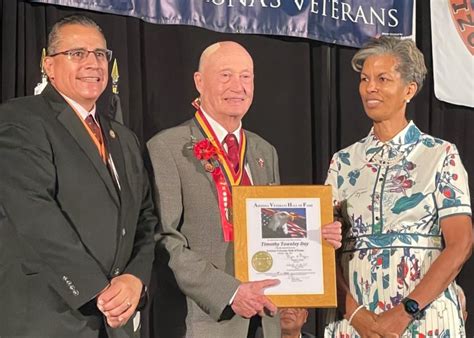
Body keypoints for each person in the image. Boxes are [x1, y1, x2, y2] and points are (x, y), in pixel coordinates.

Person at [147, 41, 342, 337]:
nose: (237, 86)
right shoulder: (167, 148)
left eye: (246, 76)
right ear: (199, 81)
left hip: (265, 320)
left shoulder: (265, 151)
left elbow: (273, 225)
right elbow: (164, 240)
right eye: (225, 75)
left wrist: (315, 232)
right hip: (203, 323)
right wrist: (230, 292)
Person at [0, 15, 157, 337]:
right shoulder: (20, 120)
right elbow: (34, 215)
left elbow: (145, 218)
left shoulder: (124, 139)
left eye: (100, 54)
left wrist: (135, 279)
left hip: (116, 324)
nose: (93, 63)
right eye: (77, 53)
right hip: (49, 317)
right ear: (49, 65)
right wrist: (98, 291)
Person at [324, 36, 472, 337]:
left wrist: (406, 311)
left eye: (382, 79)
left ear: (409, 90)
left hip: (425, 319)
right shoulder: (343, 162)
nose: (370, 88)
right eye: (365, 79)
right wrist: (356, 315)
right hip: (355, 321)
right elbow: (323, 250)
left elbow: (461, 243)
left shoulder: (440, 155)